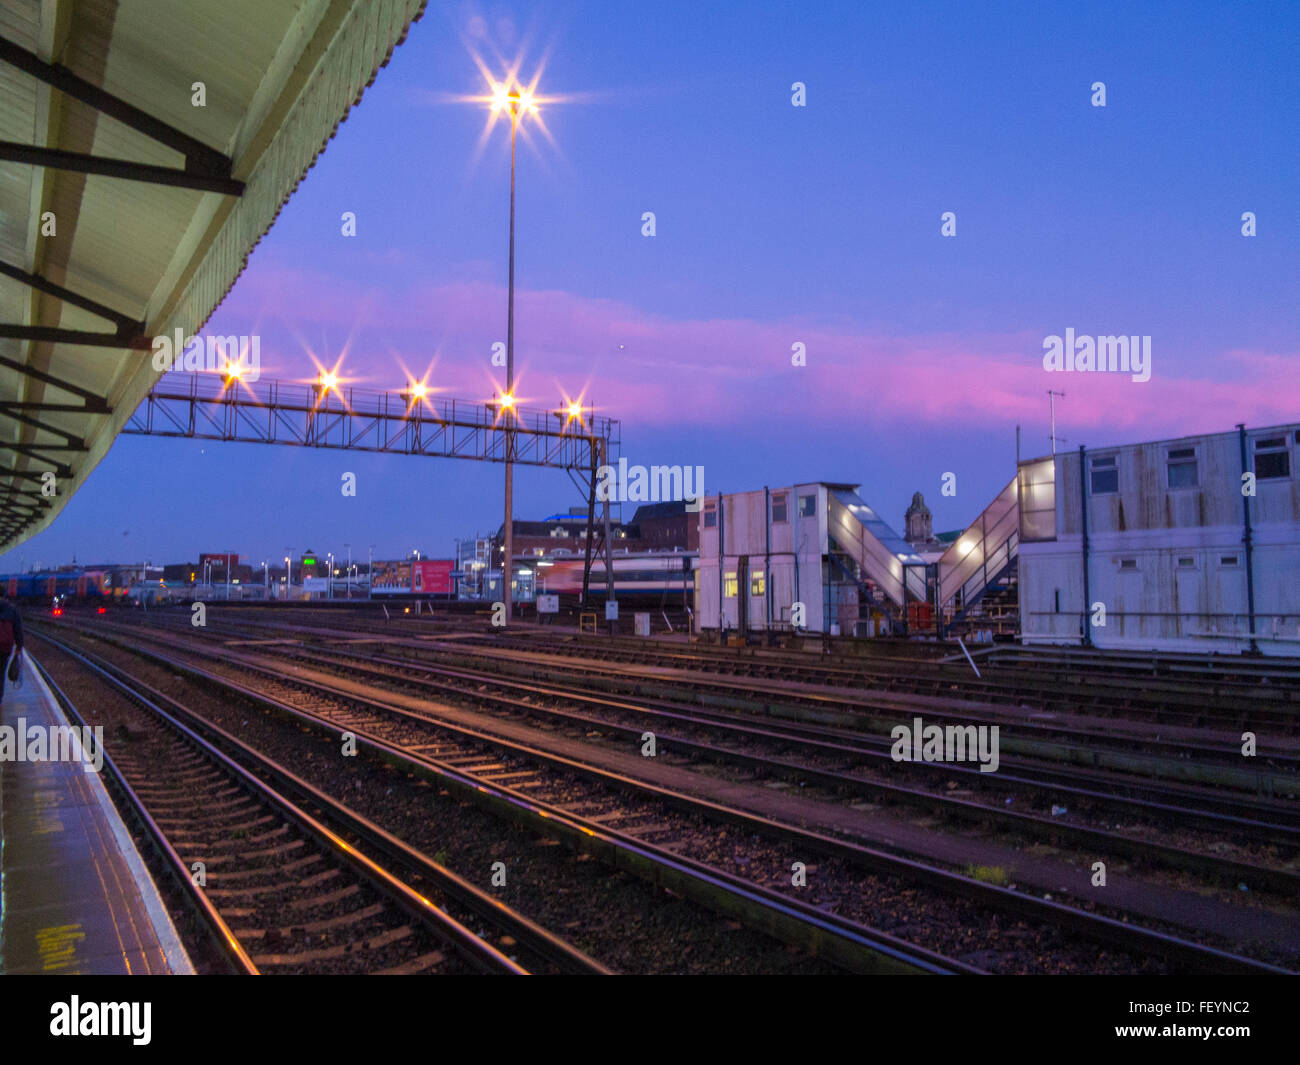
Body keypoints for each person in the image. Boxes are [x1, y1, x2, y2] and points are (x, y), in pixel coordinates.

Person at [0, 587, 24, 703]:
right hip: (4, 647)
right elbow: (18, 630)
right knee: (1, 672)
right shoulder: (12, 609)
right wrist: (19, 647)